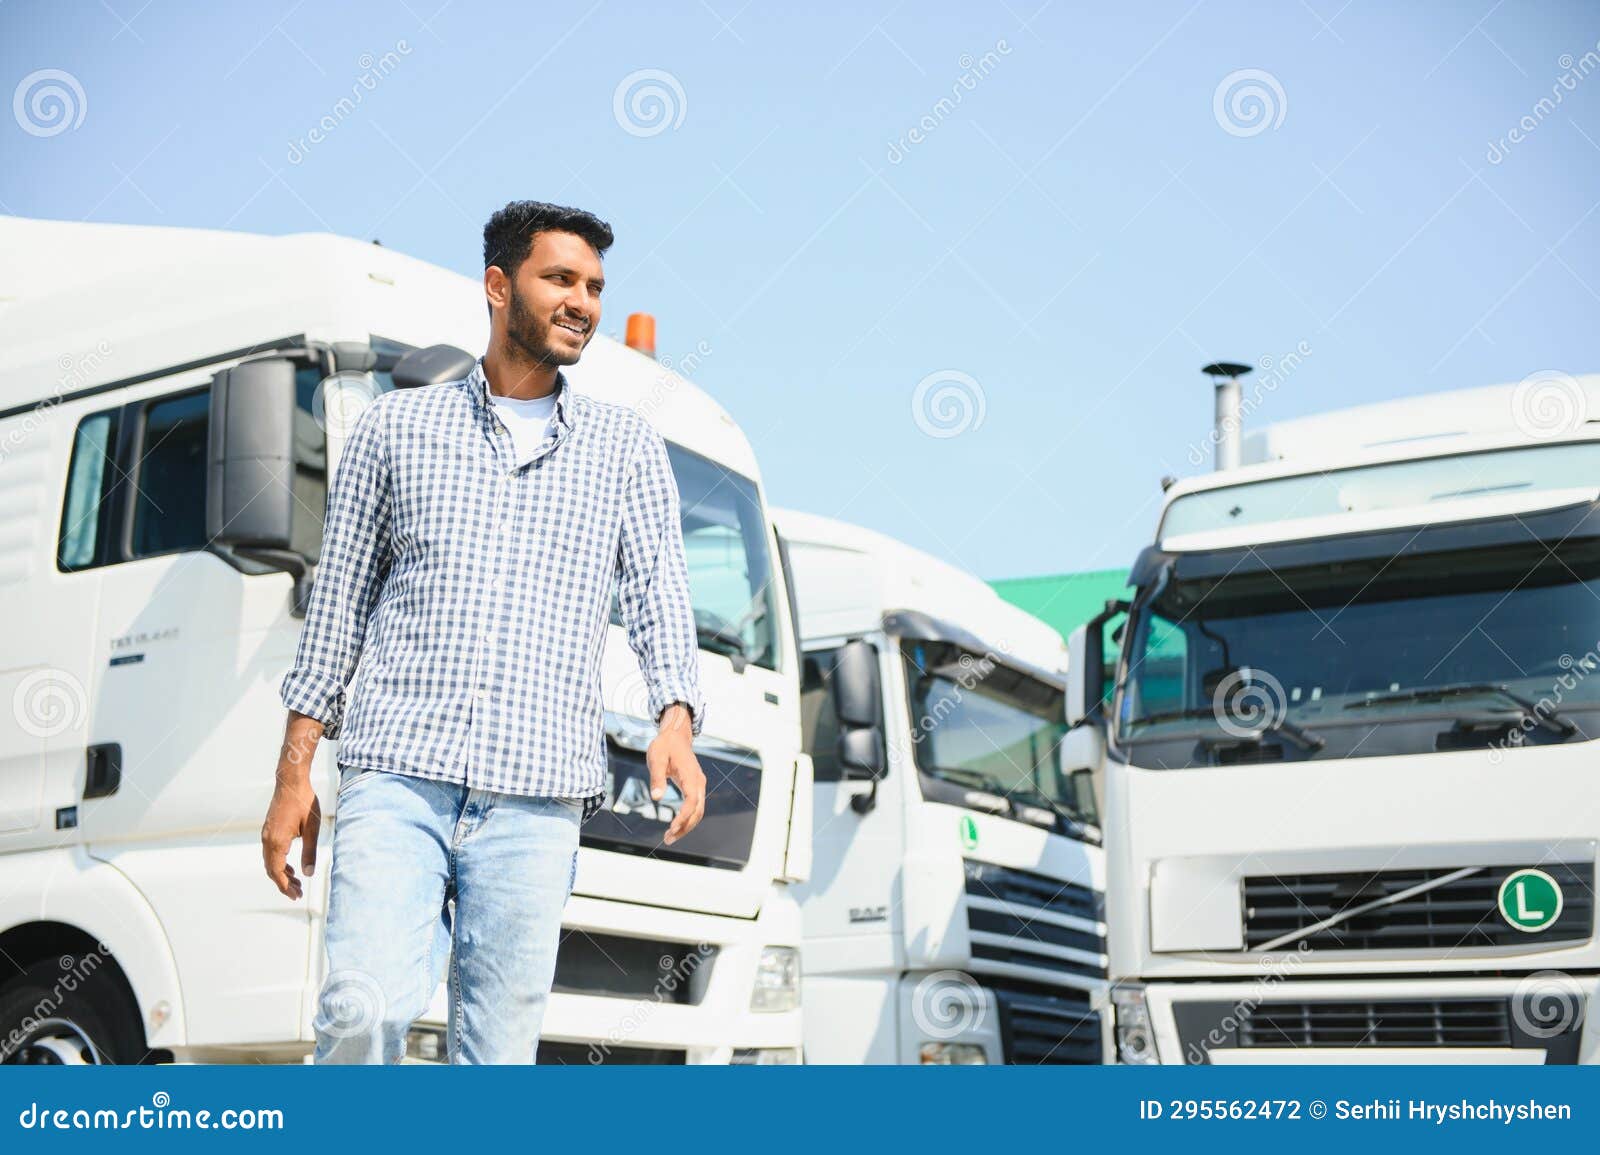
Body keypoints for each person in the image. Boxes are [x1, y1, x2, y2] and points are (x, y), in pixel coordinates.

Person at [260, 200, 707, 1064]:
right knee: (358, 1015)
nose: (582, 302)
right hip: (399, 776)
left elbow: (660, 593)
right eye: (560, 279)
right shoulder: (395, 428)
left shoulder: (626, 448)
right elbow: (339, 606)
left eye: (595, 286)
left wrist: (676, 717)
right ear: (499, 286)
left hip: (538, 797)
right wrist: (292, 775)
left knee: (497, 1058)